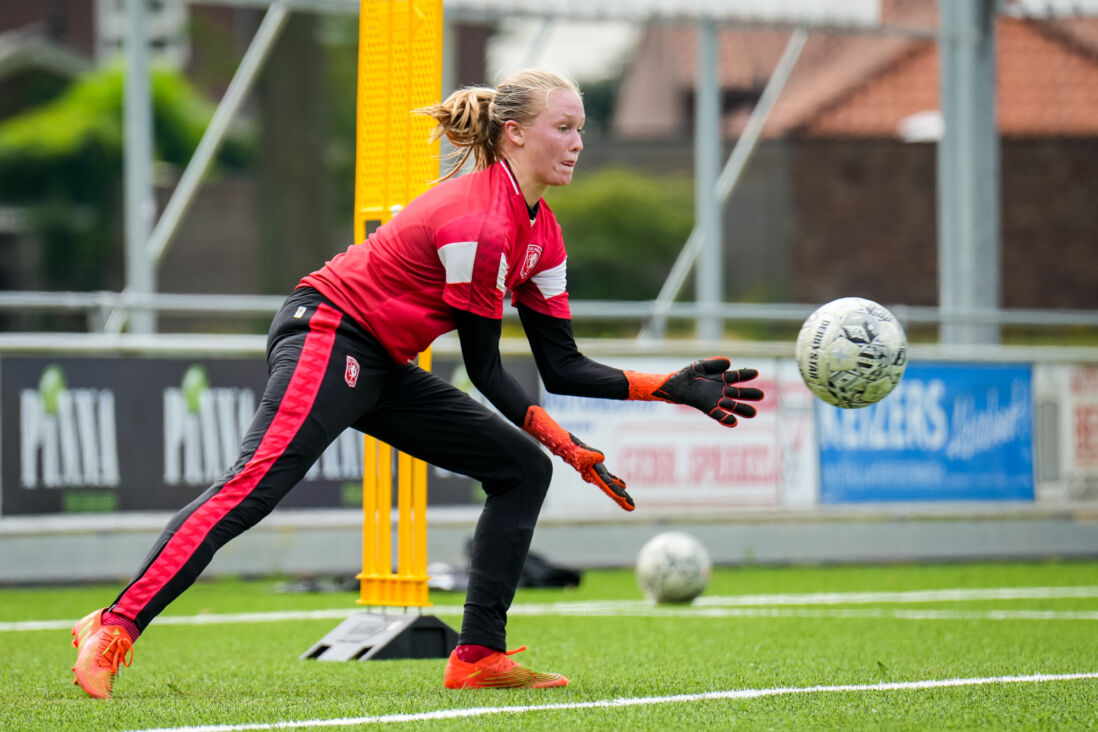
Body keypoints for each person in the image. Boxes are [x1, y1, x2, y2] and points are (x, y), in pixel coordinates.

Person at [70, 68, 765, 698]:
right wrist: (567, 441)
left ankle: (478, 655)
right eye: (564, 127)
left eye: (582, 128)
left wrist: (666, 388)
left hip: (378, 358)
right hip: (329, 332)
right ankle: (114, 621)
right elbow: (486, 368)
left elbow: (562, 365)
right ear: (515, 134)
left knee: (520, 469)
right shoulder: (480, 224)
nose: (578, 142)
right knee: (254, 486)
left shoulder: (542, 235)